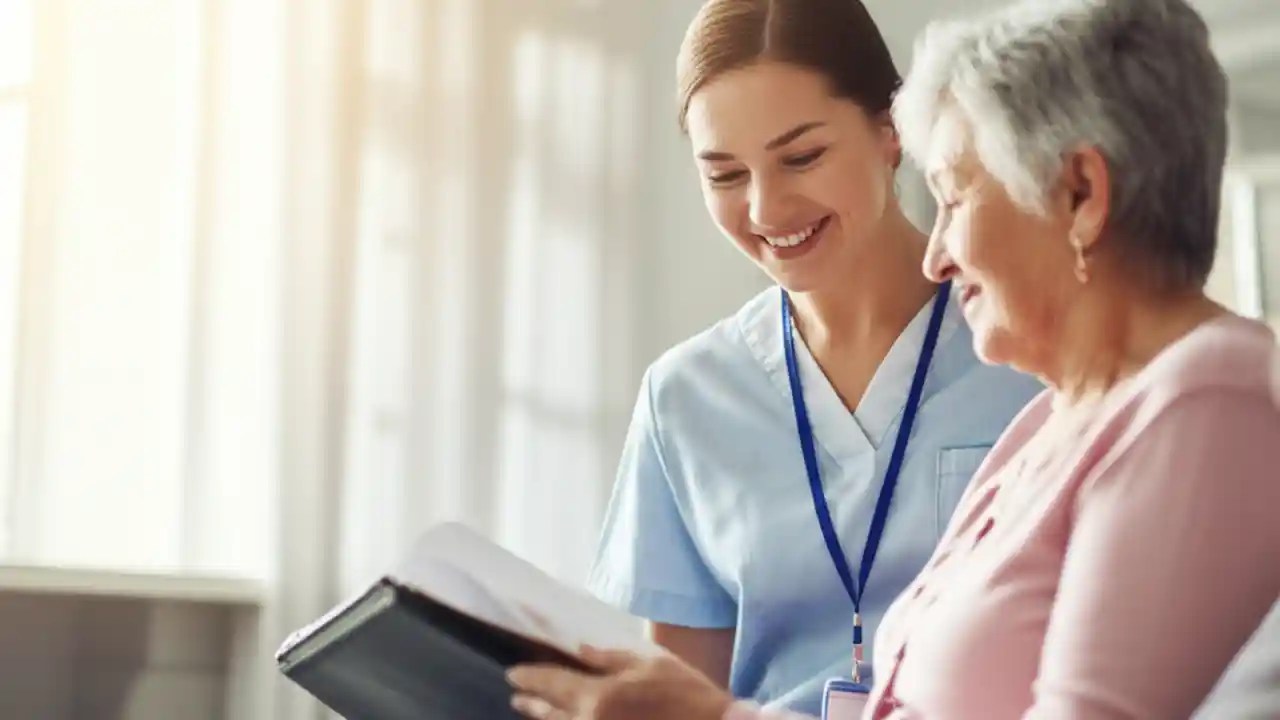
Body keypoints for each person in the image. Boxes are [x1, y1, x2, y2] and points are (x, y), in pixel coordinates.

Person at [505, 0, 1280, 717]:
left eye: (954, 195)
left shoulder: (1194, 400)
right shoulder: (1056, 411)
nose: (938, 254)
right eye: (725, 174)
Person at [580, 0, 1041, 714]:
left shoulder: (1033, 353)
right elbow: (679, 702)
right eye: (726, 175)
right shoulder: (687, 399)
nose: (765, 209)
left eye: (801, 157)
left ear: (892, 130)